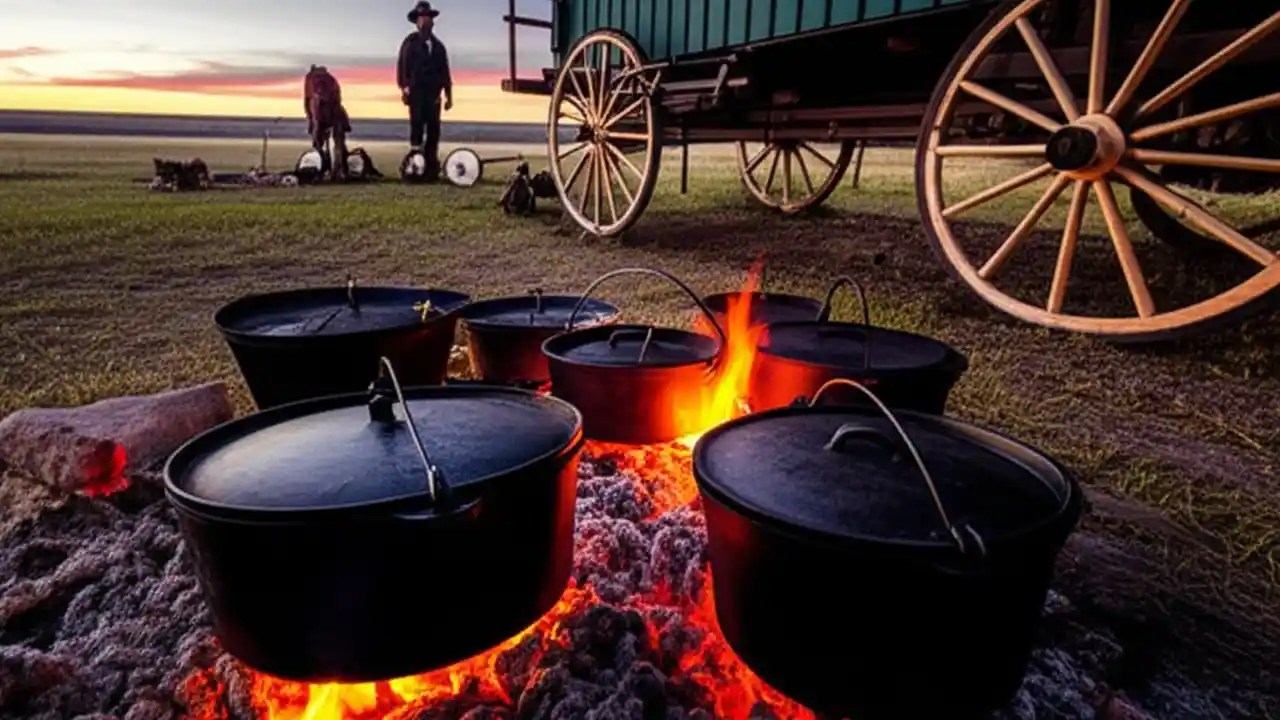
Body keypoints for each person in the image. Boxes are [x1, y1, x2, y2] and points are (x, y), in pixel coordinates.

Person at [398, 1, 453, 181]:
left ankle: (431, 167)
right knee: (417, 126)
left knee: (433, 129)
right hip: (416, 92)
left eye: (427, 18)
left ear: (432, 21)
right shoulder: (410, 43)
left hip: (433, 94)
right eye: (421, 18)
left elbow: (445, 72)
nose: (425, 21)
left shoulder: (438, 46)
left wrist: (448, 96)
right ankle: (416, 164)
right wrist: (404, 88)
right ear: (417, 22)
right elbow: (402, 67)